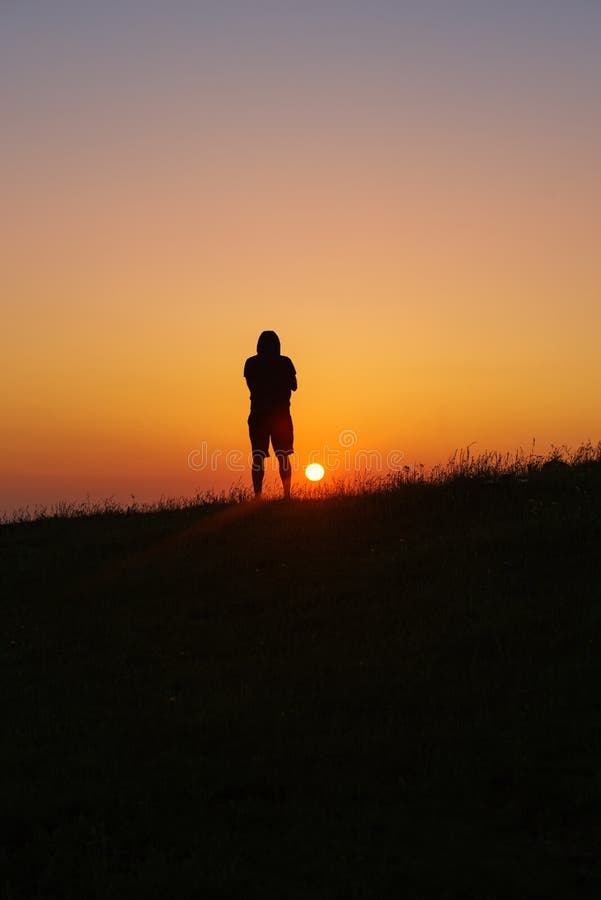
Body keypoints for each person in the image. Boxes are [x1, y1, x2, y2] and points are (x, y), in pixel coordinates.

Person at [244, 331, 297, 499]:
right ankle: (286, 495)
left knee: (258, 457)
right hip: (280, 416)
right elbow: (294, 386)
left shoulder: (251, 363)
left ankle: (258, 496)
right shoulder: (285, 362)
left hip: (259, 416)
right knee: (283, 456)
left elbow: (251, 387)